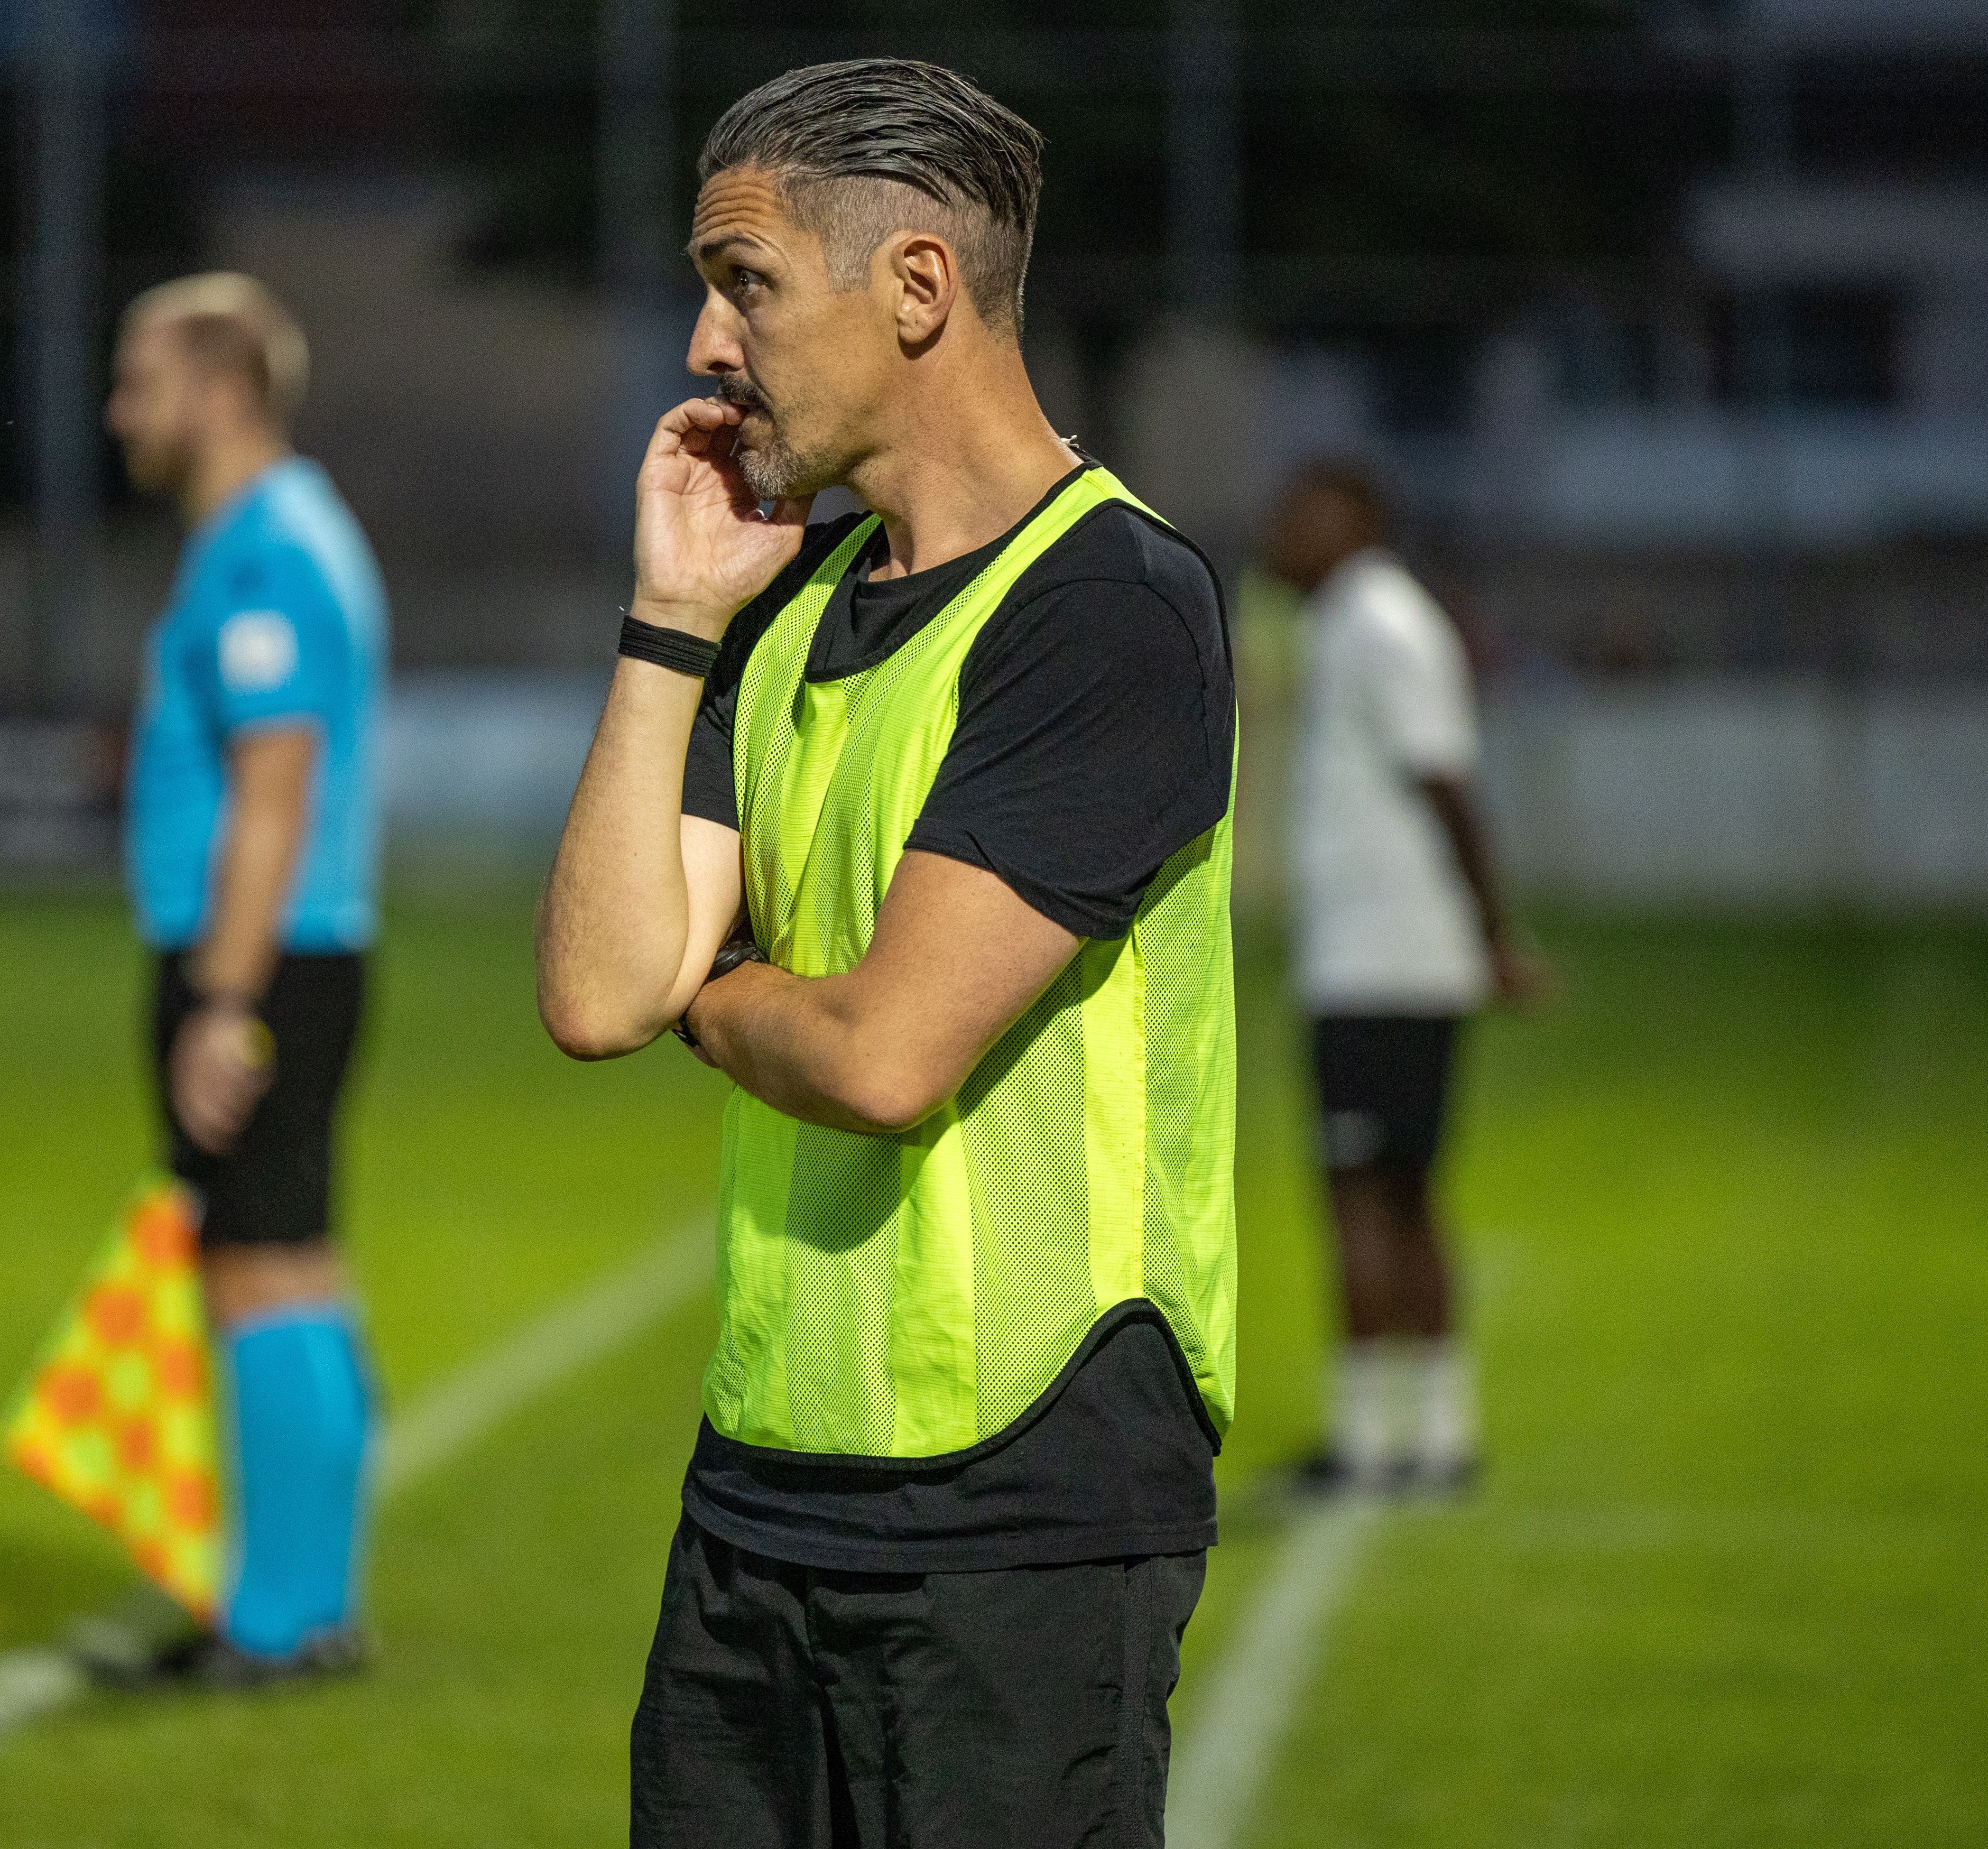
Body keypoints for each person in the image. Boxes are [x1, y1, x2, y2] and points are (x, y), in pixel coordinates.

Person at [538, 60, 1238, 1848]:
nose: (703, 341)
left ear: (916, 288)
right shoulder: (769, 604)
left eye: (745, 280)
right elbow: (601, 989)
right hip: (758, 1483)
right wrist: (669, 616)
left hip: (1020, 1511)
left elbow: (875, 1055)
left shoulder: (1107, 606)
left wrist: (725, 985)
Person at [91, 271, 388, 1687]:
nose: (118, 412)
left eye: (138, 381)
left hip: (259, 957)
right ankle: (303, 1601)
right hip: (293, 951)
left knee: (253, 1268)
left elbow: (273, 789)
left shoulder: (265, 550)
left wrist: (220, 1001)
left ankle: (274, 1622)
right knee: (291, 1262)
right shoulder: (276, 534)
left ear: (219, 390)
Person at [1263, 458, 1543, 1497]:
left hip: (1377, 964)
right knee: (1407, 1196)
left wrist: (1493, 933)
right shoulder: (1358, 620)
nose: (1279, 532)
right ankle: (1433, 1434)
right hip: (1394, 958)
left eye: (1301, 513)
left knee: (1360, 1199)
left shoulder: (1378, 624)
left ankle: (1371, 1442)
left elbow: (1446, 782)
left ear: (1358, 523)